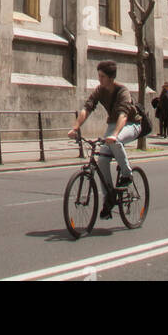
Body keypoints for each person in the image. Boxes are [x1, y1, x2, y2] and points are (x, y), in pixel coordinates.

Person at [68, 59, 141, 219]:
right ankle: (109, 197)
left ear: (110, 77)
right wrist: (75, 127)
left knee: (117, 141)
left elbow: (123, 115)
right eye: (98, 76)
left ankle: (127, 174)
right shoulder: (100, 90)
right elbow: (87, 108)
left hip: (131, 123)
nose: (99, 79)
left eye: (102, 76)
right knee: (102, 161)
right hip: (114, 124)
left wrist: (114, 134)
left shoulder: (123, 91)